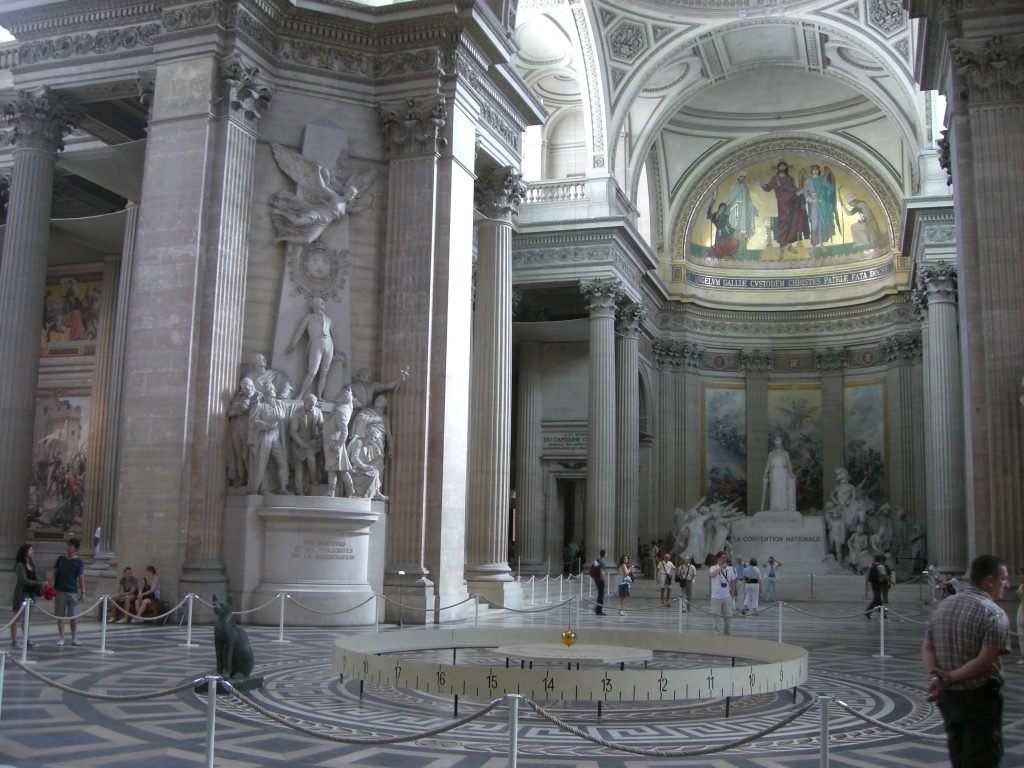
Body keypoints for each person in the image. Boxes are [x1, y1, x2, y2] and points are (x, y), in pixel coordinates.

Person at [922, 554, 1011, 768]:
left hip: (949, 698)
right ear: (990, 581)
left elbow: (927, 646)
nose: (1007, 584)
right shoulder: (994, 614)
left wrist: (937, 677)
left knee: (958, 755)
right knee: (982, 757)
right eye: (1004, 579)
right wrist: (949, 677)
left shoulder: (943, 606)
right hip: (979, 698)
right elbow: (985, 661)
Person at [287, 297, 338, 399]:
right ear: (314, 305)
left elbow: (333, 335)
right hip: (316, 342)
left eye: (322, 301)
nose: (322, 302)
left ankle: (319, 396)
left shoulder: (328, 319)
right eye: (320, 301)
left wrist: (335, 348)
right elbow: (300, 331)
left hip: (329, 343)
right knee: (313, 371)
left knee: (324, 372)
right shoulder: (309, 318)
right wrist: (293, 344)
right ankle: (301, 394)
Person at [759, 160, 809, 257]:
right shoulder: (775, 178)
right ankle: (782, 249)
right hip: (783, 204)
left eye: (784, 166)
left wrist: (801, 191)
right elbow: (768, 188)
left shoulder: (790, 179)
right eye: (781, 166)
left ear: (786, 168)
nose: (782, 168)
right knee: (783, 225)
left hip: (792, 203)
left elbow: (794, 188)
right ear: (778, 168)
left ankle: (790, 246)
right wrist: (761, 184)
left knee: (793, 224)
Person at [248, 380, 290, 495]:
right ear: (265, 392)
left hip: (276, 437)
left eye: (272, 388)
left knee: (282, 462)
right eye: (269, 388)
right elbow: (253, 422)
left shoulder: (280, 405)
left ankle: (283, 488)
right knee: (262, 462)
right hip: (264, 436)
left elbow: (292, 407)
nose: (272, 390)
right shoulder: (260, 406)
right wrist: (266, 426)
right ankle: (261, 489)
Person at [11, 543, 46, 649]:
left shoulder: (32, 564)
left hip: (32, 594)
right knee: (17, 618)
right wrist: (38, 583)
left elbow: (35, 577)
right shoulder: (20, 565)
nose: (32, 552)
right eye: (30, 550)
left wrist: (42, 582)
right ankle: (14, 640)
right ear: (25, 552)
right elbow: (24, 580)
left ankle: (26, 639)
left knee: (27, 619)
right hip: (23, 593)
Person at [289, 393, 324, 495]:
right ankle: (299, 491)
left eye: (313, 405)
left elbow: (322, 428)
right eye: (310, 405)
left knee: (311, 457)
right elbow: (293, 432)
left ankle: (314, 480)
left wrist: (319, 439)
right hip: (298, 442)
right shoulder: (297, 413)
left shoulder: (318, 412)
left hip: (312, 442)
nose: (312, 407)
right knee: (299, 467)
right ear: (304, 403)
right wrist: (302, 443)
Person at [324, 385, 355, 497]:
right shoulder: (341, 409)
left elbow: (344, 431)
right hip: (331, 442)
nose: (336, 396)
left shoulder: (341, 411)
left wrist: (338, 446)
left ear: (342, 397)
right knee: (335, 468)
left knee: (337, 468)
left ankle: (345, 489)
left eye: (339, 394)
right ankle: (333, 490)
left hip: (334, 443)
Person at [52, 537, 85, 646]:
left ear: (75, 548)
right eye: (68, 545)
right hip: (60, 590)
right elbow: (54, 573)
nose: (68, 547)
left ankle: (74, 638)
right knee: (60, 616)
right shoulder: (61, 559)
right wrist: (51, 587)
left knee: (73, 616)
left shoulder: (79, 561)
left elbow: (81, 577)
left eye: (70, 546)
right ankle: (61, 637)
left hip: (72, 591)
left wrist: (83, 592)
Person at [226, 377, 257, 487]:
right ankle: (240, 480)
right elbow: (229, 413)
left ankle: (251, 480)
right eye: (243, 387)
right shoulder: (239, 398)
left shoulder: (258, 397)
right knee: (238, 456)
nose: (246, 388)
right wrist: (237, 410)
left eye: (248, 386)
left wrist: (248, 410)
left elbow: (261, 413)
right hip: (237, 428)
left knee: (246, 456)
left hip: (250, 430)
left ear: (252, 385)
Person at [800, 164, 837, 250]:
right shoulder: (809, 180)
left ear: (818, 171)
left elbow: (830, 188)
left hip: (822, 204)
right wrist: (809, 199)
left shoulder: (822, 180)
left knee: (822, 225)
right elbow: (805, 191)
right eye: (813, 170)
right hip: (813, 204)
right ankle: (813, 245)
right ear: (811, 171)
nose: (815, 171)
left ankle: (821, 244)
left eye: (816, 170)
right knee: (814, 225)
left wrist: (828, 193)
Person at [723, 172, 757, 254]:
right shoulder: (733, 187)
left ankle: (741, 249)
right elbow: (728, 199)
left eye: (744, 177)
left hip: (743, 211)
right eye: (741, 176)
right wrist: (724, 208)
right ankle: (732, 250)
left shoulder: (745, 188)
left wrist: (752, 207)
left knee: (743, 229)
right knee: (734, 229)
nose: (742, 178)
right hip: (734, 211)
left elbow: (748, 200)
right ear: (738, 177)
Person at [762, 436, 796, 512]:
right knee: (774, 490)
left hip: (783, 473)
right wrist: (765, 473)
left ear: (781, 444)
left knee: (783, 489)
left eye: (779, 444)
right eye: (776, 444)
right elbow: (768, 464)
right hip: (774, 473)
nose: (778, 445)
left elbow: (789, 463)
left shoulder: (785, 453)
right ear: (775, 445)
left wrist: (791, 472)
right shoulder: (771, 454)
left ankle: (784, 507)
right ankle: (774, 507)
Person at [709, 551, 737, 635]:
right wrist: (721, 567)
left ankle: (727, 634)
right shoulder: (713, 568)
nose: (725, 559)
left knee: (728, 617)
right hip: (716, 596)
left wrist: (732, 595)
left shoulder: (730, 569)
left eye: (725, 557)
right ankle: (717, 635)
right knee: (716, 617)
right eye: (723, 557)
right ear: (718, 558)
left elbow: (732, 582)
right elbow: (712, 575)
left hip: (726, 596)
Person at [864, 553, 892, 618]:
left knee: (878, 599)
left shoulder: (873, 566)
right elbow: (884, 575)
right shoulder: (880, 566)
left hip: (875, 583)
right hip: (878, 584)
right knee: (876, 599)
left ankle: (882, 614)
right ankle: (868, 612)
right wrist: (891, 582)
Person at [590, 549, 608, 616]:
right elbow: (602, 573)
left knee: (600, 595)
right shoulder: (602, 562)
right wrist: (605, 581)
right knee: (601, 595)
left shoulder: (596, 560)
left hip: (596, 578)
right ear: (604, 554)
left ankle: (597, 608)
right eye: (606, 553)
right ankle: (599, 611)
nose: (607, 555)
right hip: (600, 580)